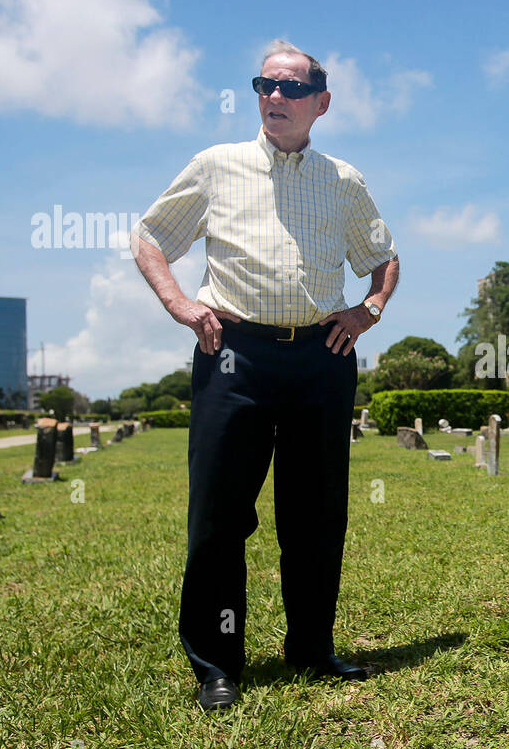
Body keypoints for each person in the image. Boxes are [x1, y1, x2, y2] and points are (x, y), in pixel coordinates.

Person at [130, 40, 400, 711]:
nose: (274, 97)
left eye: (289, 89)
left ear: (321, 103)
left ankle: (311, 649)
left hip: (321, 358)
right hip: (233, 353)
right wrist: (179, 303)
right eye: (263, 85)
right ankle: (218, 666)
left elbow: (384, 258)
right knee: (220, 517)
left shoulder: (344, 181)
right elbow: (150, 236)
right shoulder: (216, 166)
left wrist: (367, 311)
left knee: (315, 517)